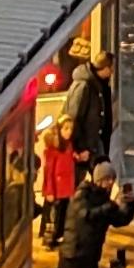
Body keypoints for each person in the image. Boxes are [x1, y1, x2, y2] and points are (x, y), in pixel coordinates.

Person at [37, 85, 79, 253]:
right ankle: (49, 239)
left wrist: (76, 156)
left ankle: (57, 236)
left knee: (61, 215)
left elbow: (69, 159)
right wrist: (49, 190)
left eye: (71, 129)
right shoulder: (52, 150)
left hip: (66, 188)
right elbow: (49, 172)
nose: (69, 132)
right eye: (66, 129)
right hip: (56, 188)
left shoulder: (68, 146)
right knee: (53, 217)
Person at [66, 49, 114, 170]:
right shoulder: (84, 86)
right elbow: (74, 117)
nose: (113, 72)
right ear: (106, 68)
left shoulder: (100, 86)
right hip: (86, 146)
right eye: (112, 68)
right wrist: (80, 148)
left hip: (95, 143)